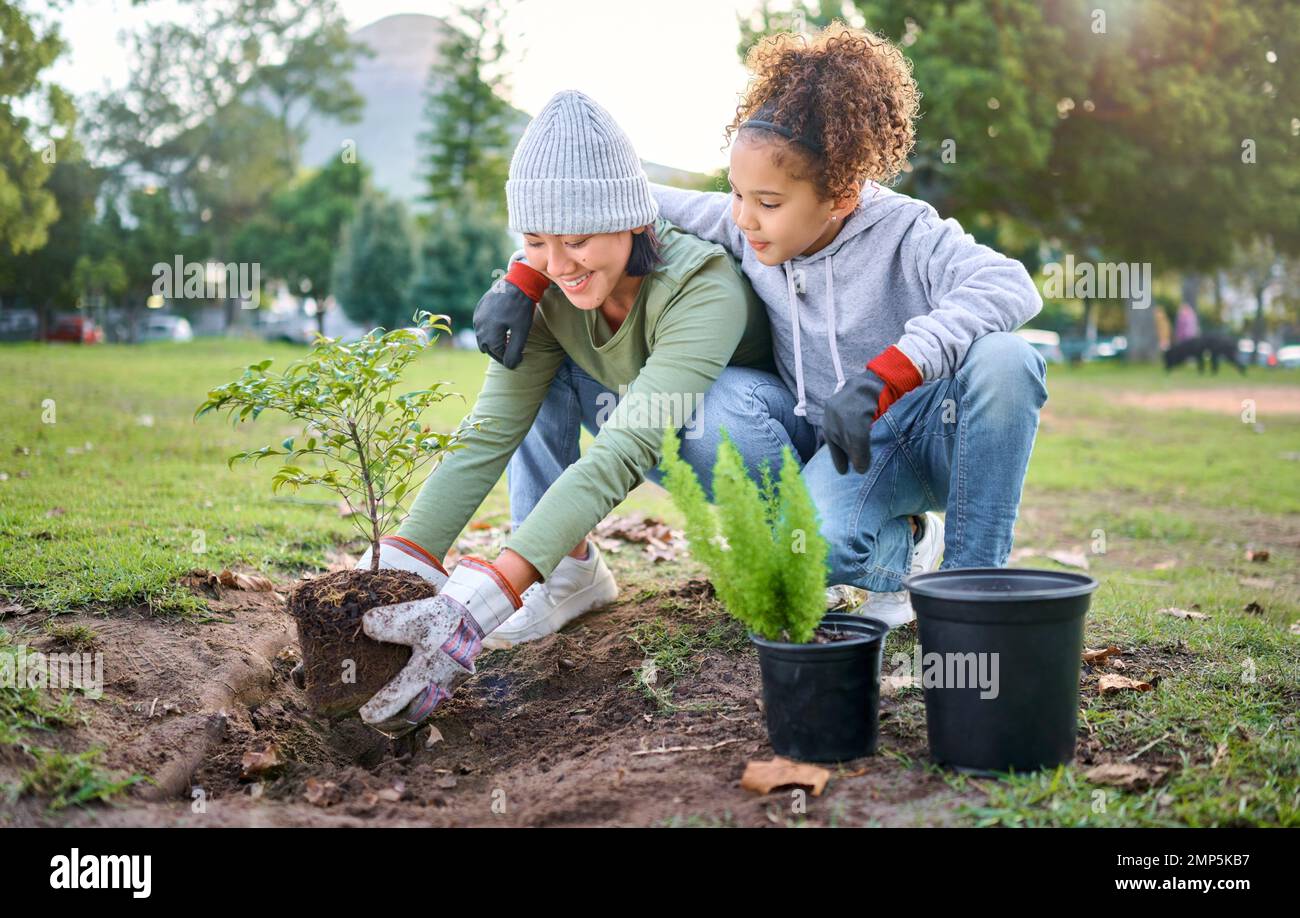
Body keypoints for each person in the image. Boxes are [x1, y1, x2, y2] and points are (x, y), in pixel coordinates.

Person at [476, 23, 1049, 631]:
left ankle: (969, 591)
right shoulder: (742, 220)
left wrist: (890, 375)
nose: (745, 219)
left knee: (1006, 359)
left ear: (844, 194)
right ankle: (897, 549)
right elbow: (603, 205)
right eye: (736, 194)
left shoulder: (908, 233)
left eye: (768, 203)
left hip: (926, 431)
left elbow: (1009, 284)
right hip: (834, 449)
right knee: (725, 421)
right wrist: (522, 277)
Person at [353, 90, 772, 737]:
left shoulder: (702, 286)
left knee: (715, 411)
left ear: (633, 219)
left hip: (757, 454)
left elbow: (624, 452)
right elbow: (490, 431)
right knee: (534, 367)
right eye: (537, 243)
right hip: (640, 427)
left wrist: (483, 602)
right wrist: (386, 576)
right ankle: (570, 568)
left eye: (576, 239)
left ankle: (841, 539)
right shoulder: (547, 287)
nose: (558, 265)